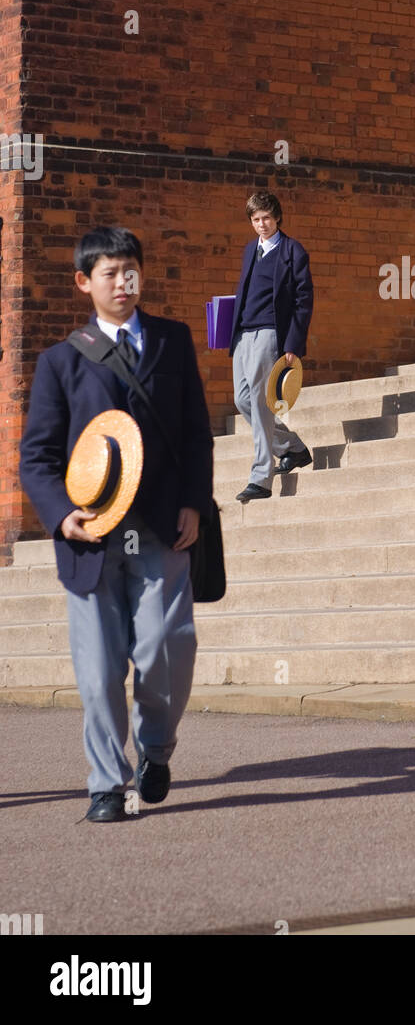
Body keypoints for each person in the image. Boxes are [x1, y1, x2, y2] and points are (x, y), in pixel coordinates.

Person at [19, 226, 214, 823]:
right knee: (101, 668)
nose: (123, 282)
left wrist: (194, 503)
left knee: (166, 649)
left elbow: (195, 435)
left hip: (161, 526)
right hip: (92, 538)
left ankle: (156, 749)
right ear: (84, 282)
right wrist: (60, 515)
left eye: (131, 270)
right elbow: (37, 456)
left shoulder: (173, 341)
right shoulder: (59, 361)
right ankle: (106, 782)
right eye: (110, 273)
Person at [229, 191, 313, 502]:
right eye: (255, 219)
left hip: (269, 333)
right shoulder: (251, 249)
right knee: (243, 400)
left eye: (266, 218)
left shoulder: (292, 251)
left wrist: (292, 343)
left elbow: (304, 302)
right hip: (243, 335)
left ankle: (261, 478)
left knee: (262, 405)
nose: (262, 224)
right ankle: (293, 447)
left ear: (277, 217)